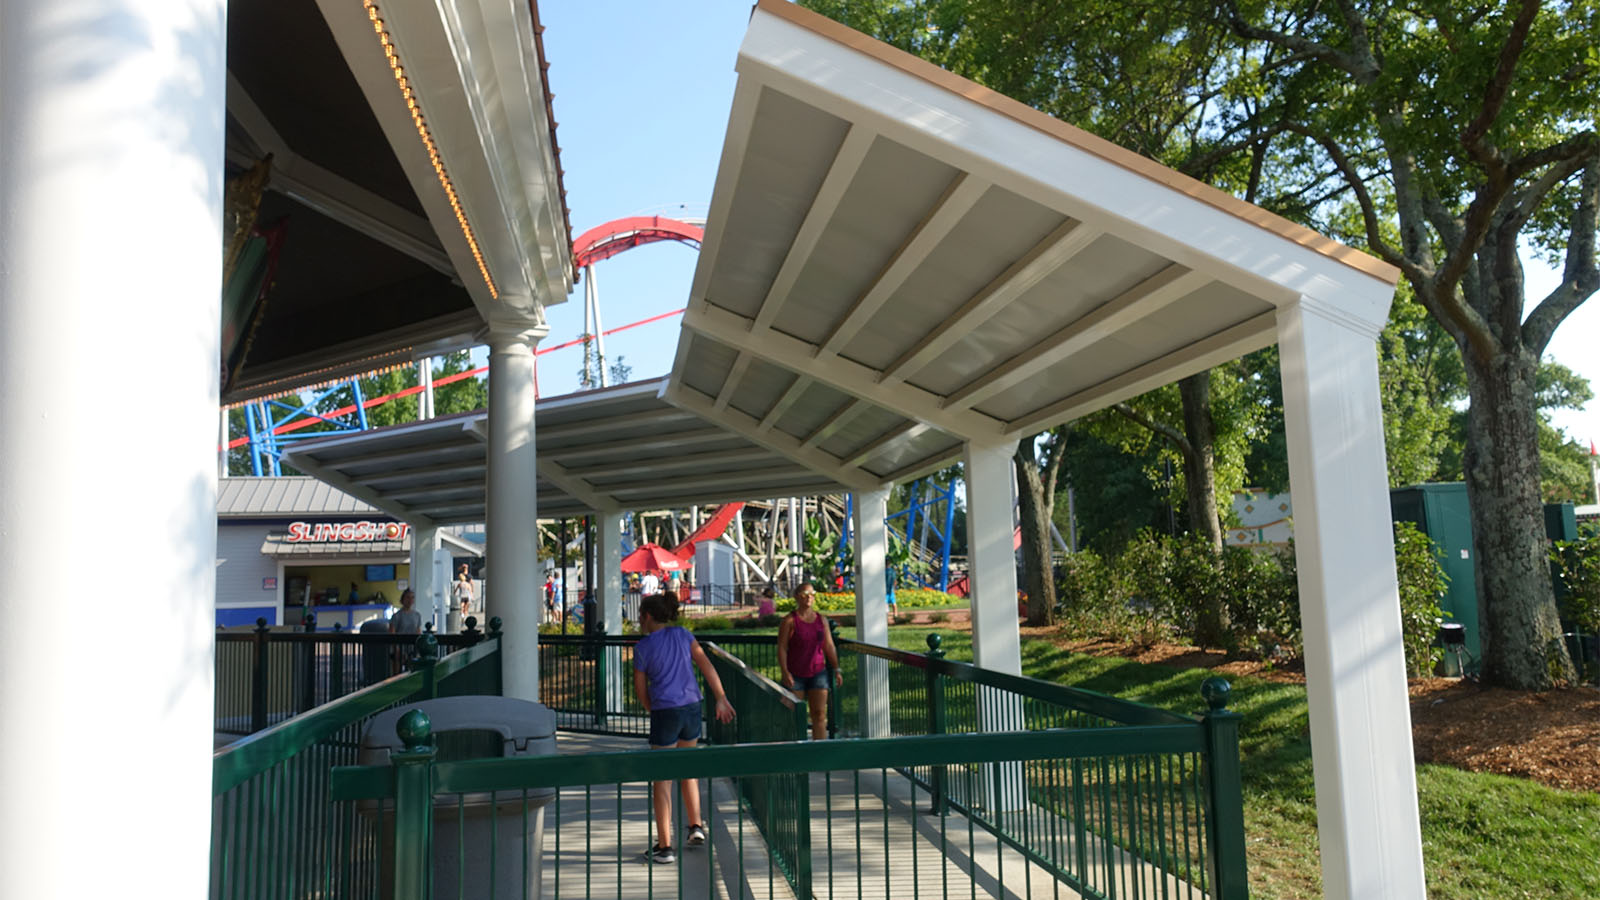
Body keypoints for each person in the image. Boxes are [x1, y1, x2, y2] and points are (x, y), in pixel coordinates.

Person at [632, 592, 735, 865]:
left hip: (665, 710)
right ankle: (695, 826)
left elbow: (641, 689)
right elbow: (706, 665)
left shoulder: (642, 648)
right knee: (688, 768)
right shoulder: (684, 635)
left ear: (648, 617)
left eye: (641, 617)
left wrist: (651, 709)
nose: (640, 621)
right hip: (692, 706)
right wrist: (721, 697)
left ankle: (665, 847)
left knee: (662, 779)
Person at [777, 581, 841, 740]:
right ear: (797, 597)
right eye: (805, 594)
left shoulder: (821, 620)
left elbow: (829, 646)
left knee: (819, 714)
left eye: (813, 594)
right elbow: (782, 648)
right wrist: (785, 672)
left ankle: (820, 752)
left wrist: (836, 668)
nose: (809, 598)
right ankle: (797, 750)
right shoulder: (790, 621)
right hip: (796, 674)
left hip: (818, 673)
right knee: (795, 716)